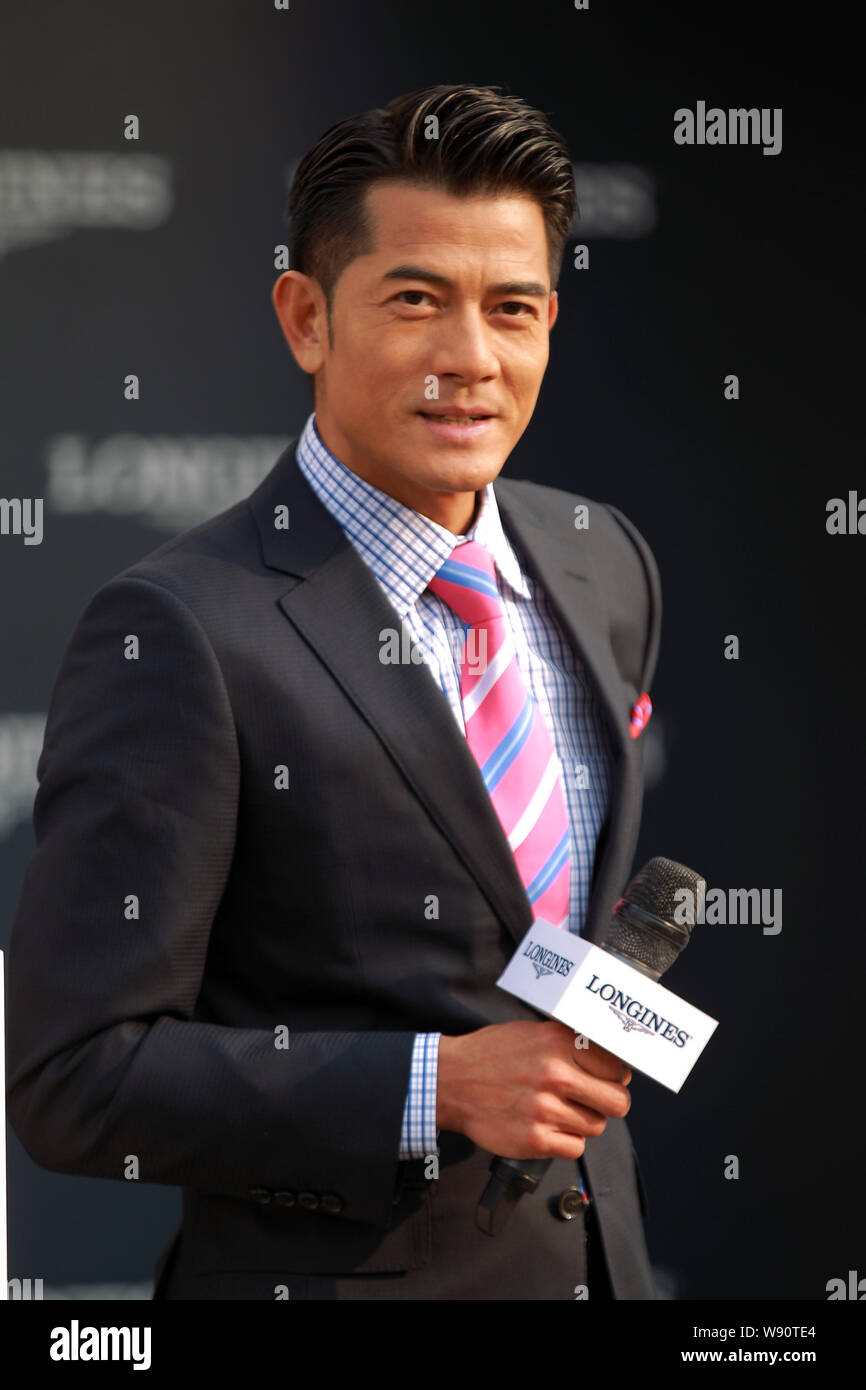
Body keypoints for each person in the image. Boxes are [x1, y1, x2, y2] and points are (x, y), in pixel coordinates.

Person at [6, 83, 661, 1300]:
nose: (471, 358)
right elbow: (72, 1080)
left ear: (550, 323)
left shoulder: (601, 560)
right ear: (305, 318)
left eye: (510, 308)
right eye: (415, 298)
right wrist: (432, 1085)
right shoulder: (180, 630)